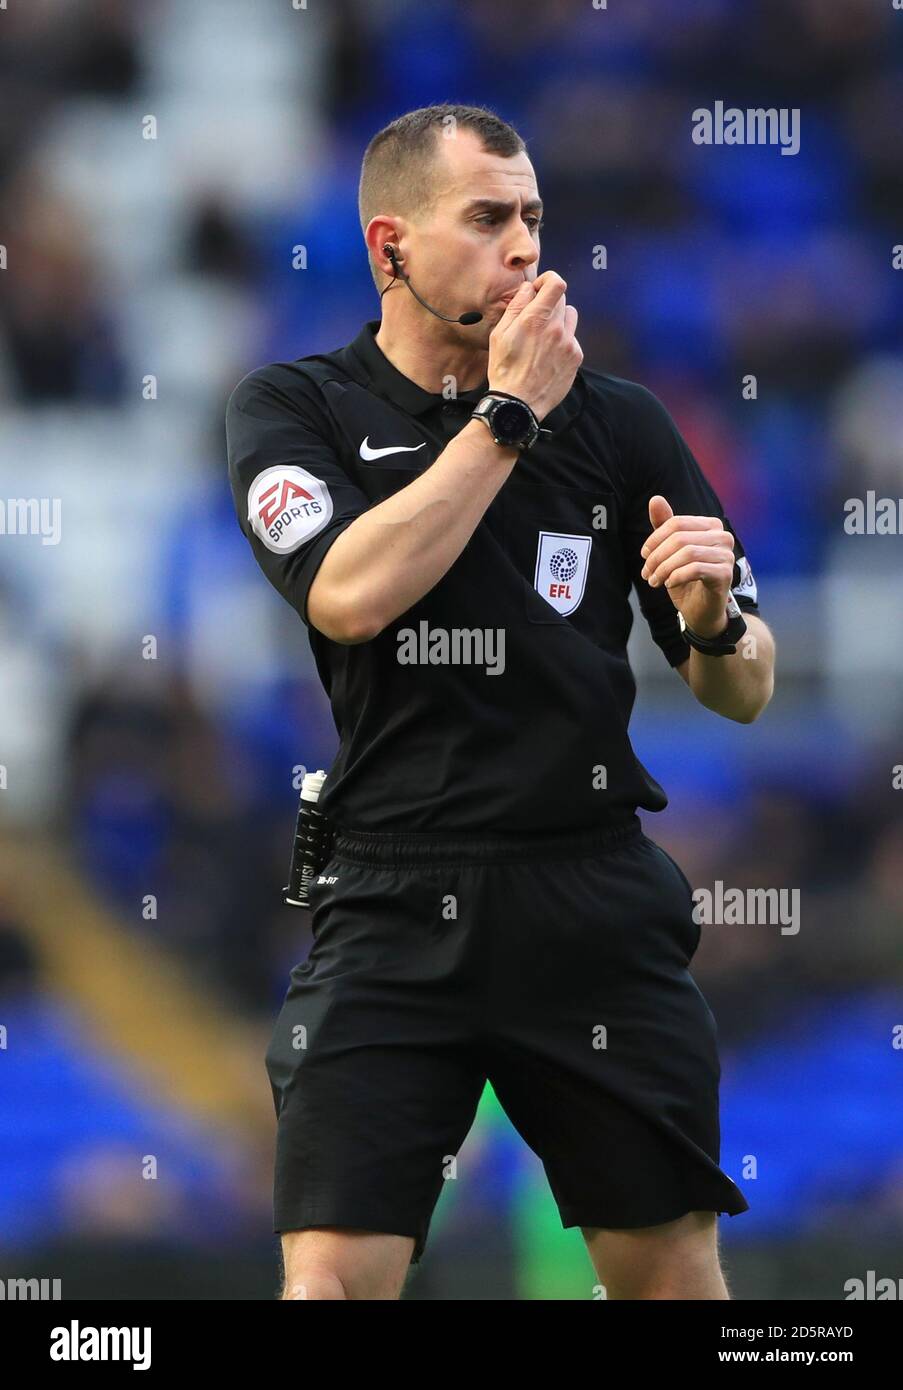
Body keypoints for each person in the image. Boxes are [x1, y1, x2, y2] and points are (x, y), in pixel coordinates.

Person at [225, 103, 775, 1301]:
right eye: (486, 218)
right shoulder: (294, 409)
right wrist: (507, 418)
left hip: (586, 893)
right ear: (390, 248)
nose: (525, 245)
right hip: (387, 893)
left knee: (674, 1278)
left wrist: (714, 617)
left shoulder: (620, 419)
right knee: (326, 1285)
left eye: (533, 215)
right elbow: (350, 593)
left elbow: (741, 690)